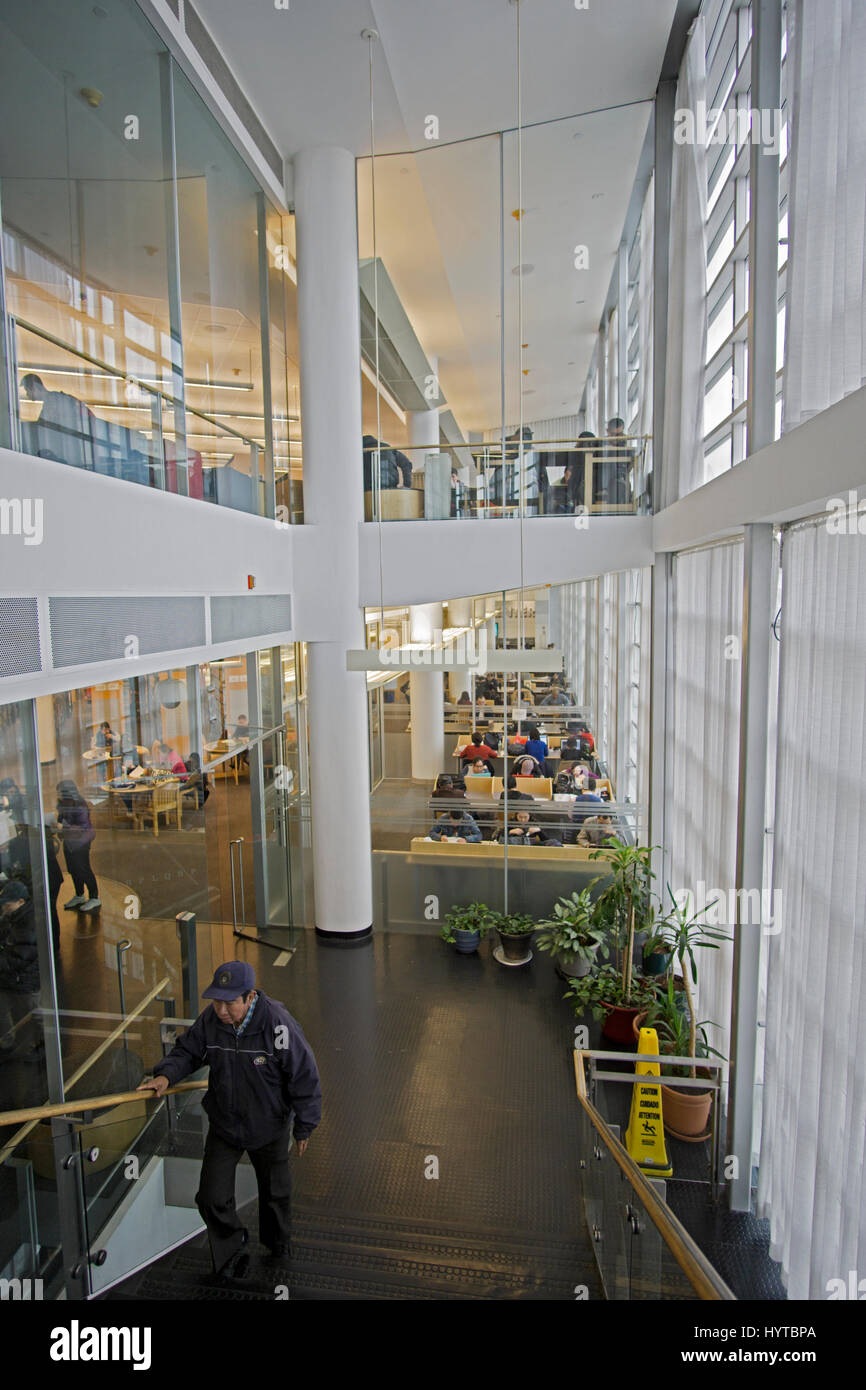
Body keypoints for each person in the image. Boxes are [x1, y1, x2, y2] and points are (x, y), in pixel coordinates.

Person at [138, 960, 321, 1283]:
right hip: (225, 1125)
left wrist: (304, 1125)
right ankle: (232, 1246)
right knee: (210, 1197)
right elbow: (188, 1051)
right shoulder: (211, 1022)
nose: (221, 1010)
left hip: (269, 1127)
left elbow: (304, 1075)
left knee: (275, 1194)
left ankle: (278, 1245)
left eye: (229, 1002)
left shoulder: (278, 1024)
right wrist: (166, 1075)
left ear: (249, 997)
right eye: (216, 1001)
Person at [20, 373, 97, 471]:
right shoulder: (55, 398)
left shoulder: (52, 400)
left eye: (27, 391)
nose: (27, 395)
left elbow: (46, 425)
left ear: (35, 388)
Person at [0, 880, 40, 1060]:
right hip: (12, 979)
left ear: (21, 902)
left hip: (25, 981)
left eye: (7, 904)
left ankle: (43, 1046)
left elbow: (21, 957)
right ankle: (7, 1042)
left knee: (36, 1014)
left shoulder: (29, 923)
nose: (4, 908)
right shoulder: (13, 917)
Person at [56, 781, 100, 913]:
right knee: (73, 869)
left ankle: (94, 897)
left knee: (83, 869)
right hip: (69, 842)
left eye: (60, 792)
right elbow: (61, 820)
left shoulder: (80, 805)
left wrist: (63, 827)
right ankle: (79, 895)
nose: (58, 794)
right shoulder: (63, 804)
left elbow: (83, 827)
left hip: (81, 842)